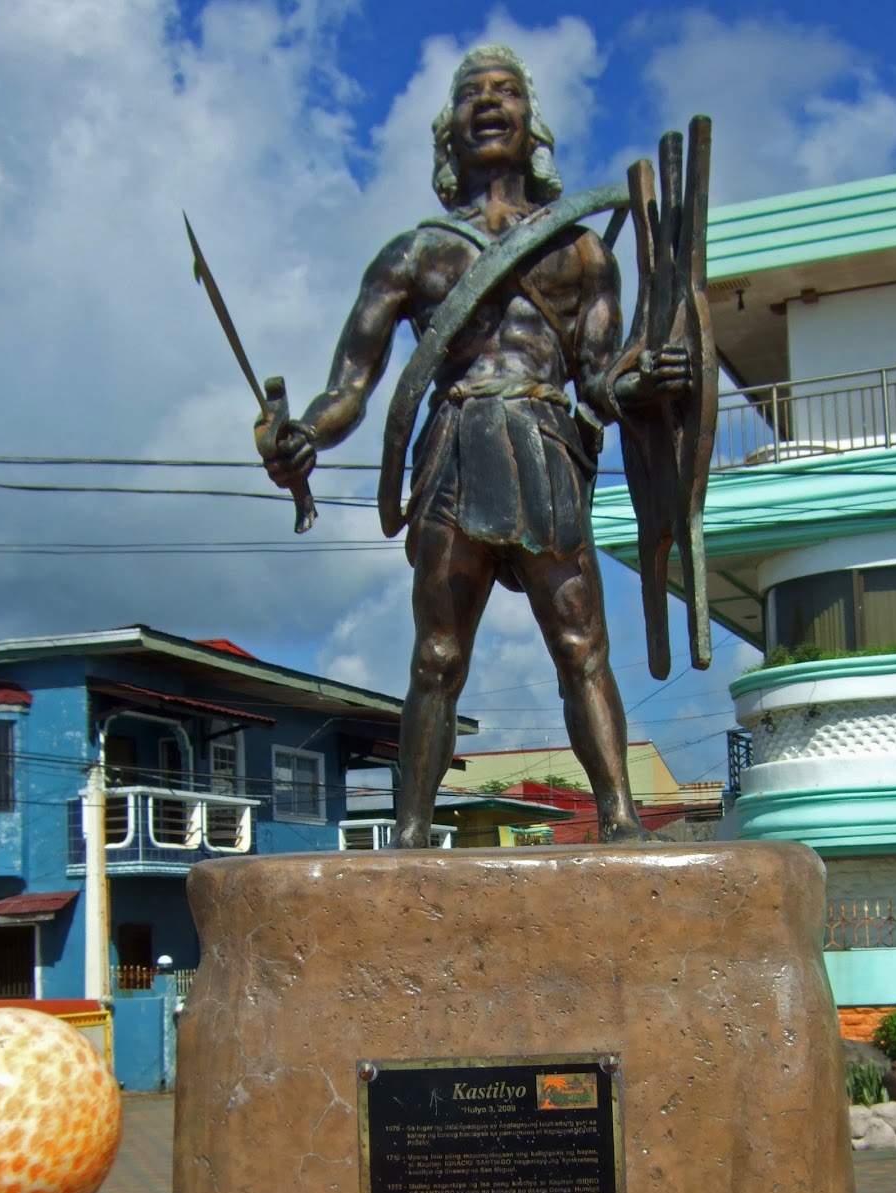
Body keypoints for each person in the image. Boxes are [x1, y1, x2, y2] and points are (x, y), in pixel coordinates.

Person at [256, 44, 690, 845]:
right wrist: (303, 434)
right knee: (437, 656)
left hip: (546, 446)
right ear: (446, 132)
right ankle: (412, 832)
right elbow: (350, 384)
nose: (489, 104)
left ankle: (620, 818)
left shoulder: (582, 251)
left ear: (534, 125)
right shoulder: (414, 253)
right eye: (471, 96)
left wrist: (649, 383)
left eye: (508, 92)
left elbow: (601, 381)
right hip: (453, 453)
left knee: (581, 643)